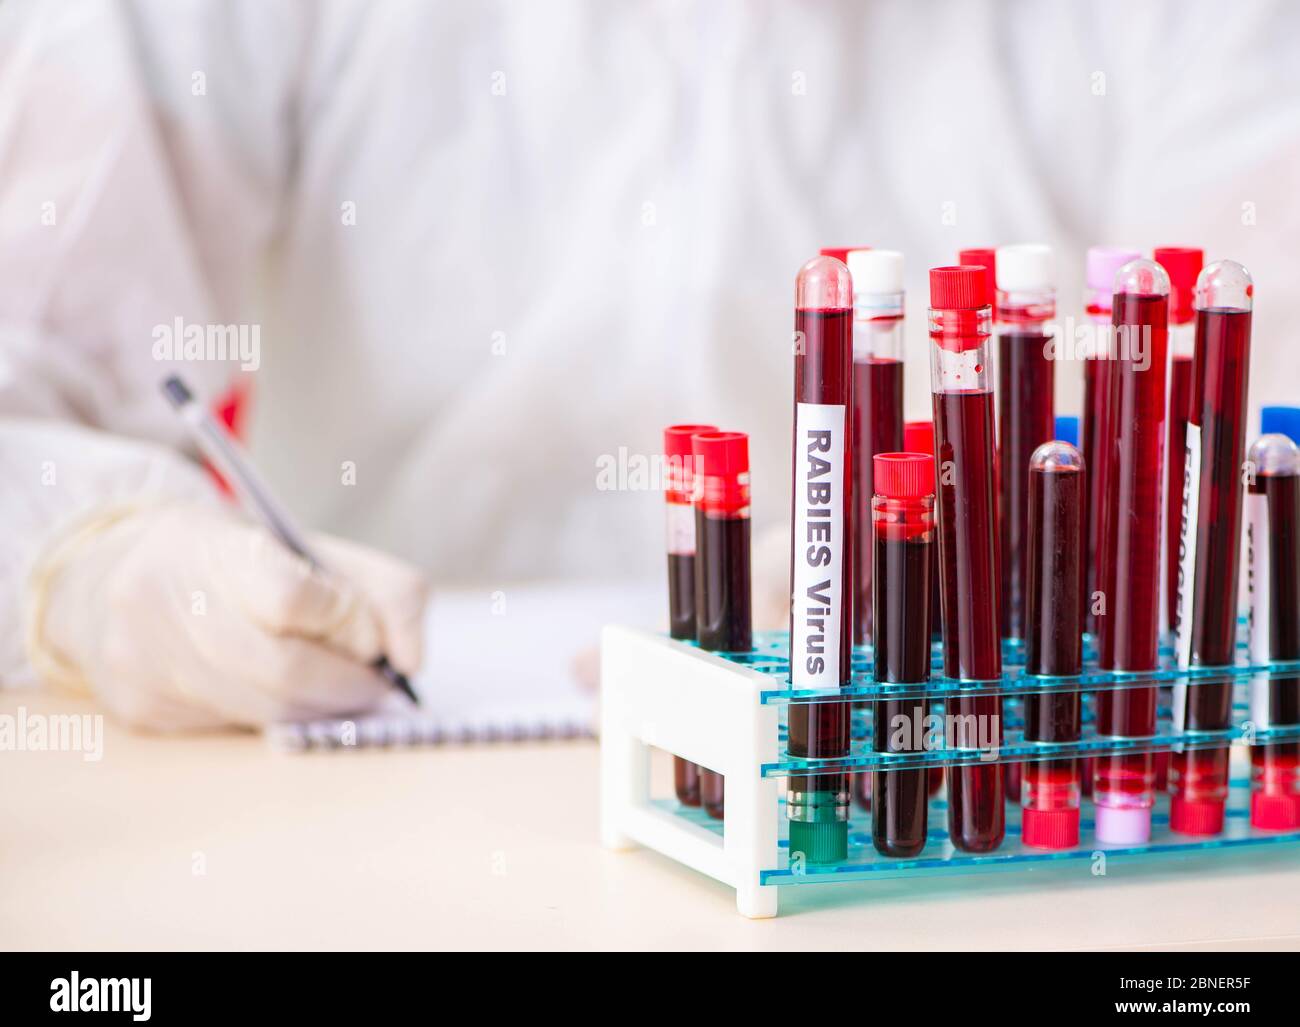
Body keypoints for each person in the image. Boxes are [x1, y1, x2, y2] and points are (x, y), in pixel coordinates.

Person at [3, 0, 1299, 730]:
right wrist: (98, 560)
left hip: (923, 778)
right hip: (380, 764)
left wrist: (1031, 559)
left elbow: (1275, 406)